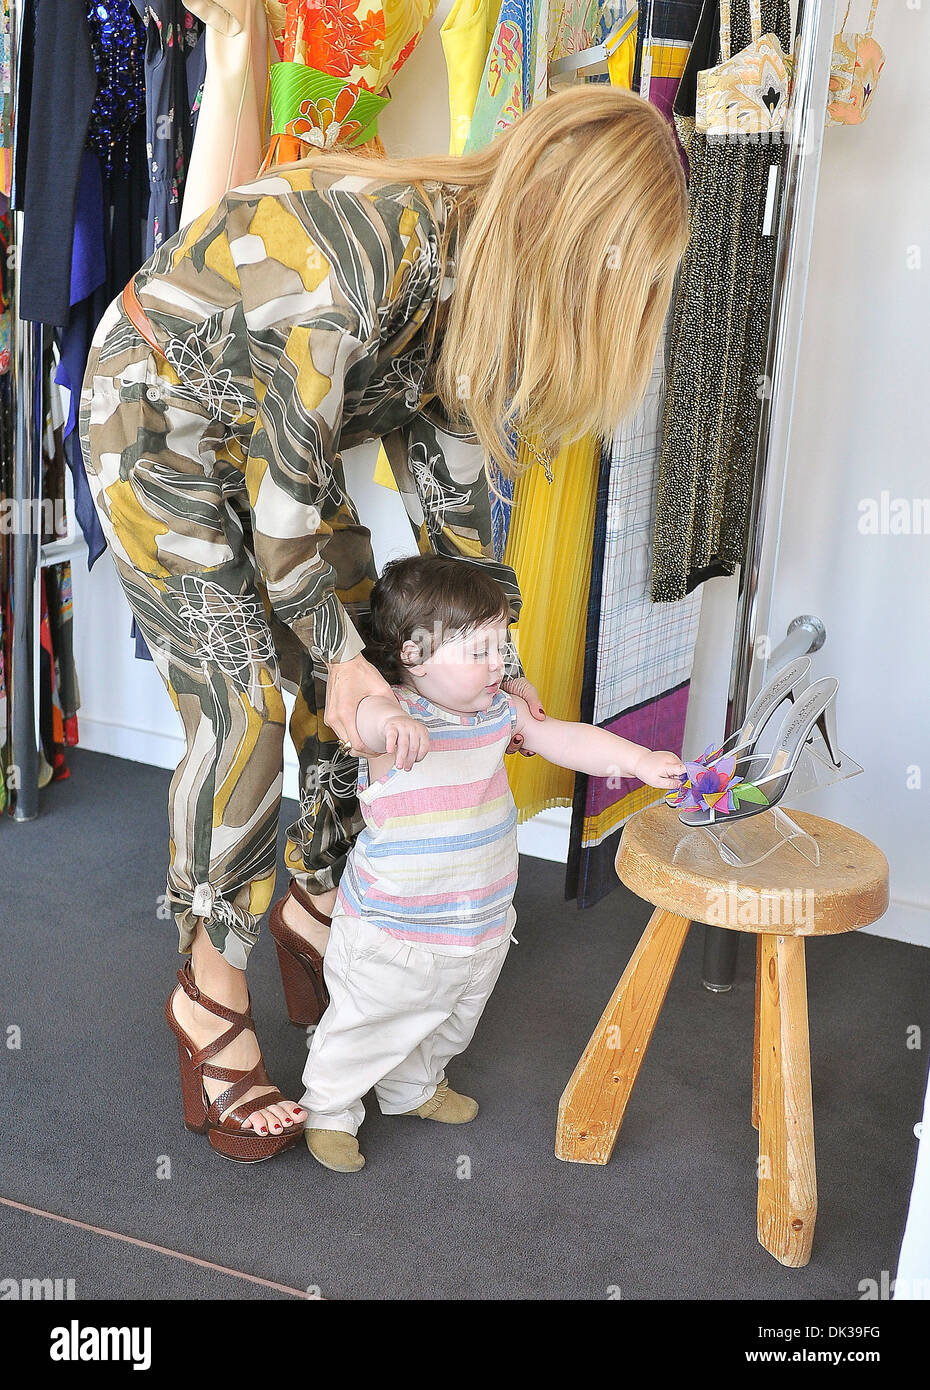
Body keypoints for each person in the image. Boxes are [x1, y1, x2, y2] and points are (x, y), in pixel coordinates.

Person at [79, 84, 689, 1161]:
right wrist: (339, 661)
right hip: (156, 423)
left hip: (276, 459)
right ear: (570, 226)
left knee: (375, 663)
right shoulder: (371, 251)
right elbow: (280, 519)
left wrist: (484, 664)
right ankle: (207, 990)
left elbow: (449, 516)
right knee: (253, 707)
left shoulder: (480, 285)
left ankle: (313, 905)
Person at [299, 554, 686, 1171]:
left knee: (449, 1022)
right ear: (415, 655)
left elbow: (565, 737)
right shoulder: (392, 711)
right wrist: (392, 719)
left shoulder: (497, 710)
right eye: (479, 651)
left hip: (476, 921)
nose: (499, 663)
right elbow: (368, 719)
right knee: (368, 1022)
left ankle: (412, 1089)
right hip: (392, 929)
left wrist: (640, 763)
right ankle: (329, 1109)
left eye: (500, 646)